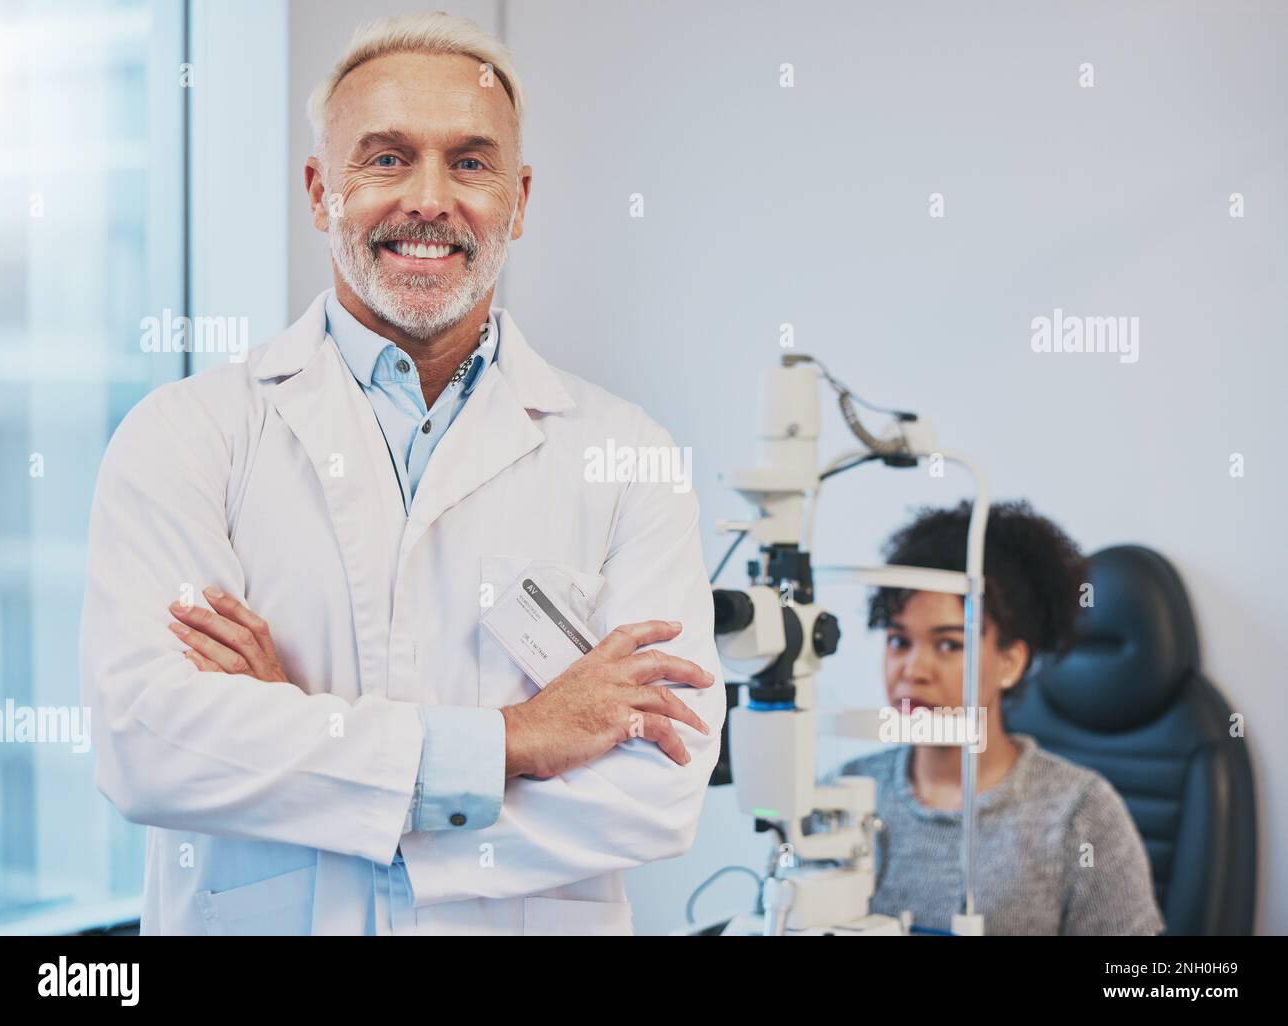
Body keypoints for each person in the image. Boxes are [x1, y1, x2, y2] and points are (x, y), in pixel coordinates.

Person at [79, 11, 724, 936]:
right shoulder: (187, 437)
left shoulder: (629, 458)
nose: (429, 199)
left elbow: (657, 792)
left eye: (469, 162)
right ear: (318, 190)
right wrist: (515, 741)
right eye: (385, 159)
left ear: (521, 198)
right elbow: (149, 746)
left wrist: (302, 753)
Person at [837, 499, 1164, 935]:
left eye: (949, 645)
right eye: (899, 641)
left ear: (1009, 662)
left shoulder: (1078, 814)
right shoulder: (845, 794)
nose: (912, 670)